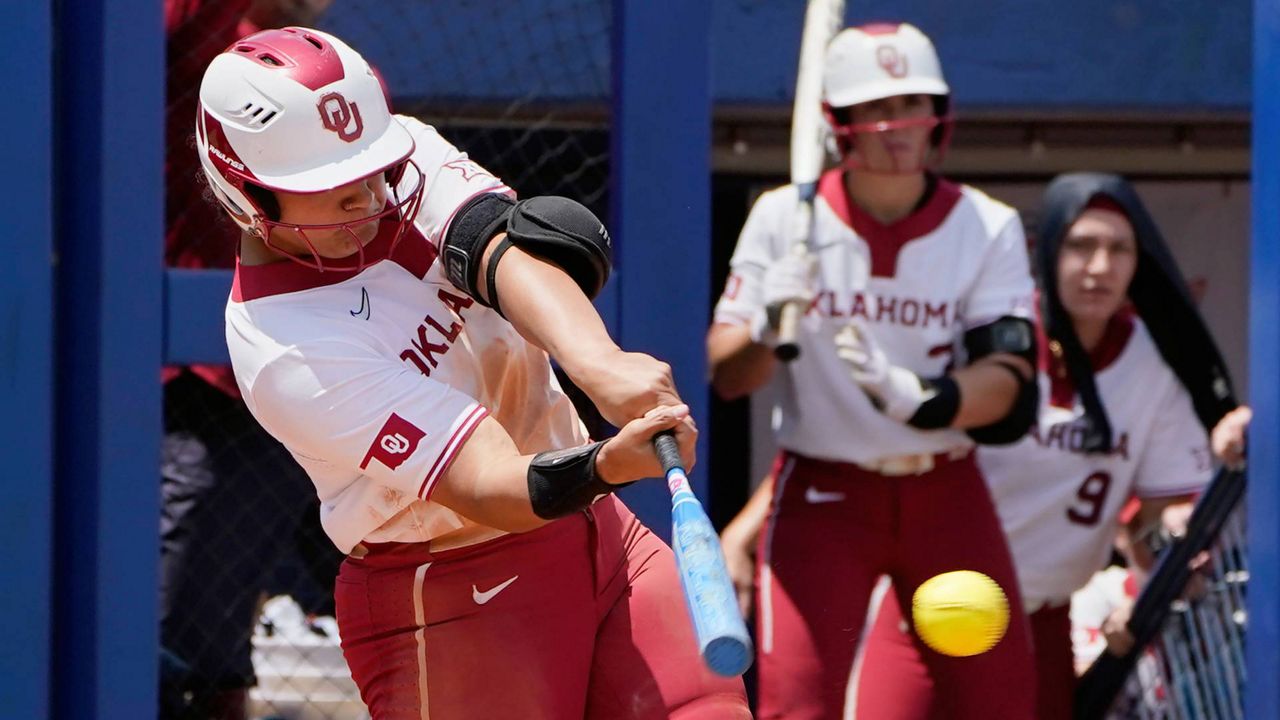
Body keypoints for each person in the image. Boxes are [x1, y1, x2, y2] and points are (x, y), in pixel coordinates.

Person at [195, 26, 750, 719]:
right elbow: (488, 483)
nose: (369, 200)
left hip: (601, 538)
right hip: (454, 589)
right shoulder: (284, 344)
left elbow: (500, 249)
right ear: (247, 192)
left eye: (374, 171)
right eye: (335, 190)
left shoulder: (405, 155)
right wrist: (605, 463)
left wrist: (602, 365)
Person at [710, 22, 1039, 720]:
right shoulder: (781, 218)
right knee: (796, 702)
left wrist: (923, 399)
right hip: (824, 493)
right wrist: (770, 327)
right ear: (840, 124)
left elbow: (1010, 380)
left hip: (945, 487)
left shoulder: (987, 224)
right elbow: (730, 375)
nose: (900, 127)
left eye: (916, 104)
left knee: (998, 699)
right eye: (876, 109)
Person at [859, 172, 1244, 719]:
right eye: (1081, 245)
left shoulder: (1152, 368)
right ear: (1046, 251)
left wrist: (1166, 548)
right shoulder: (995, 340)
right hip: (931, 603)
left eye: (1118, 249)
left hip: (1040, 619)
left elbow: (1154, 519)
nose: (1099, 267)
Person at [160, 2, 338, 718]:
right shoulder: (205, 26)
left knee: (234, 586)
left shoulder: (340, 72)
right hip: (186, 362)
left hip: (294, 370)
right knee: (167, 562)